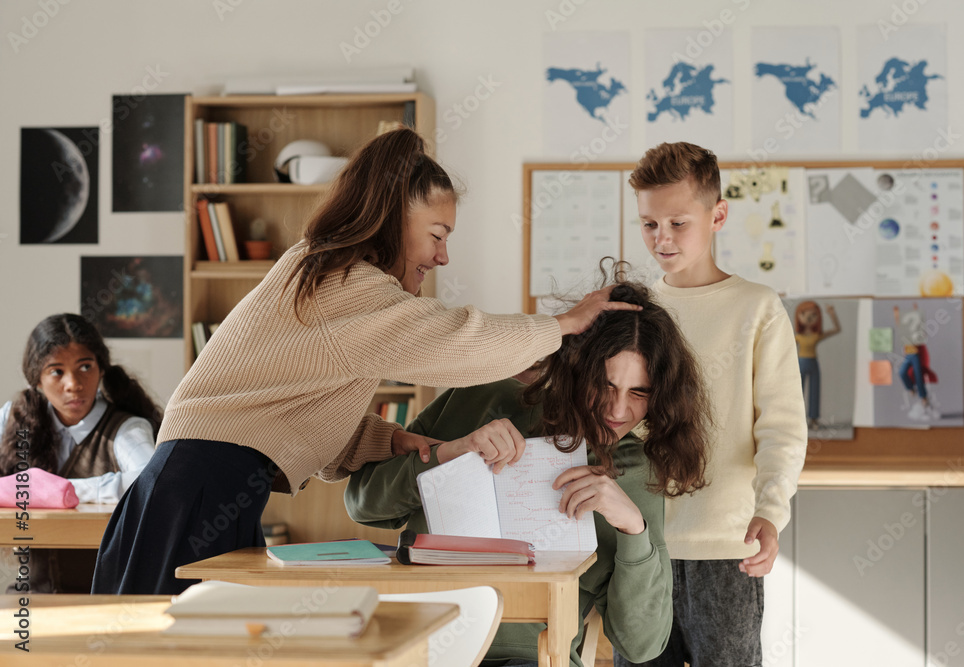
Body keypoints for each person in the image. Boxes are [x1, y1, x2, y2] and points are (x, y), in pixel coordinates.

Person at [91, 128, 637, 595]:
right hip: (201, 484)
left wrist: (390, 439)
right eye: (437, 236)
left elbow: (300, 408)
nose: (443, 256)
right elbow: (452, 342)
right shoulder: (347, 283)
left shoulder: (326, 272)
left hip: (201, 481)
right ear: (392, 219)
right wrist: (560, 326)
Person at [345, 275, 712, 667]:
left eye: (639, 393)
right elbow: (362, 503)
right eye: (604, 386)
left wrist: (632, 529)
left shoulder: (634, 471)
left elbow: (643, 645)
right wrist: (451, 454)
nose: (618, 411)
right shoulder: (481, 398)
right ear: (575, 369)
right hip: (420, 646)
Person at [619, 141, 808, 667]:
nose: (662, 238)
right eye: (649, 224)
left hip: (726, 550)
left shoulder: (757, 309)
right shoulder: (635, 310)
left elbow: (782, 426)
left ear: (718, 214)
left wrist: (771, 510)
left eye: (678, 223)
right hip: (641, 548)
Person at [0, 313, 161, 593]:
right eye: (56, 371)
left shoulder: (126, 429)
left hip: (104, 599)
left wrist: (61, 490)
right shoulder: (11, 420)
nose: (73, 384)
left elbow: (151, 481)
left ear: (101, 370)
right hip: (32, 596)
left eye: (85, 367)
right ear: (36, 380)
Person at [793, 300, 841, 429]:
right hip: (800, 363)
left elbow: (837, 329)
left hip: (813, 363)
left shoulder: (817, 335)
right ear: (799, 316)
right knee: (798, 393)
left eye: (813, 315)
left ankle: (813, 419)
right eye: (805, 314)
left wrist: (832, 314)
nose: (809, 318)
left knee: (815, 392)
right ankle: (797, 420)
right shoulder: (797, 336)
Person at [894, 302, 939, 420]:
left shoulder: (916, 332)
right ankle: (911, 389)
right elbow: (900, 324)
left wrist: (915, 310)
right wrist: (897, 313)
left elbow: (919, 324)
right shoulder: (905, 332)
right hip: (908, 355)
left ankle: (923, 397)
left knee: (919, 376)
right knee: (902, 372)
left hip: (916, 355)